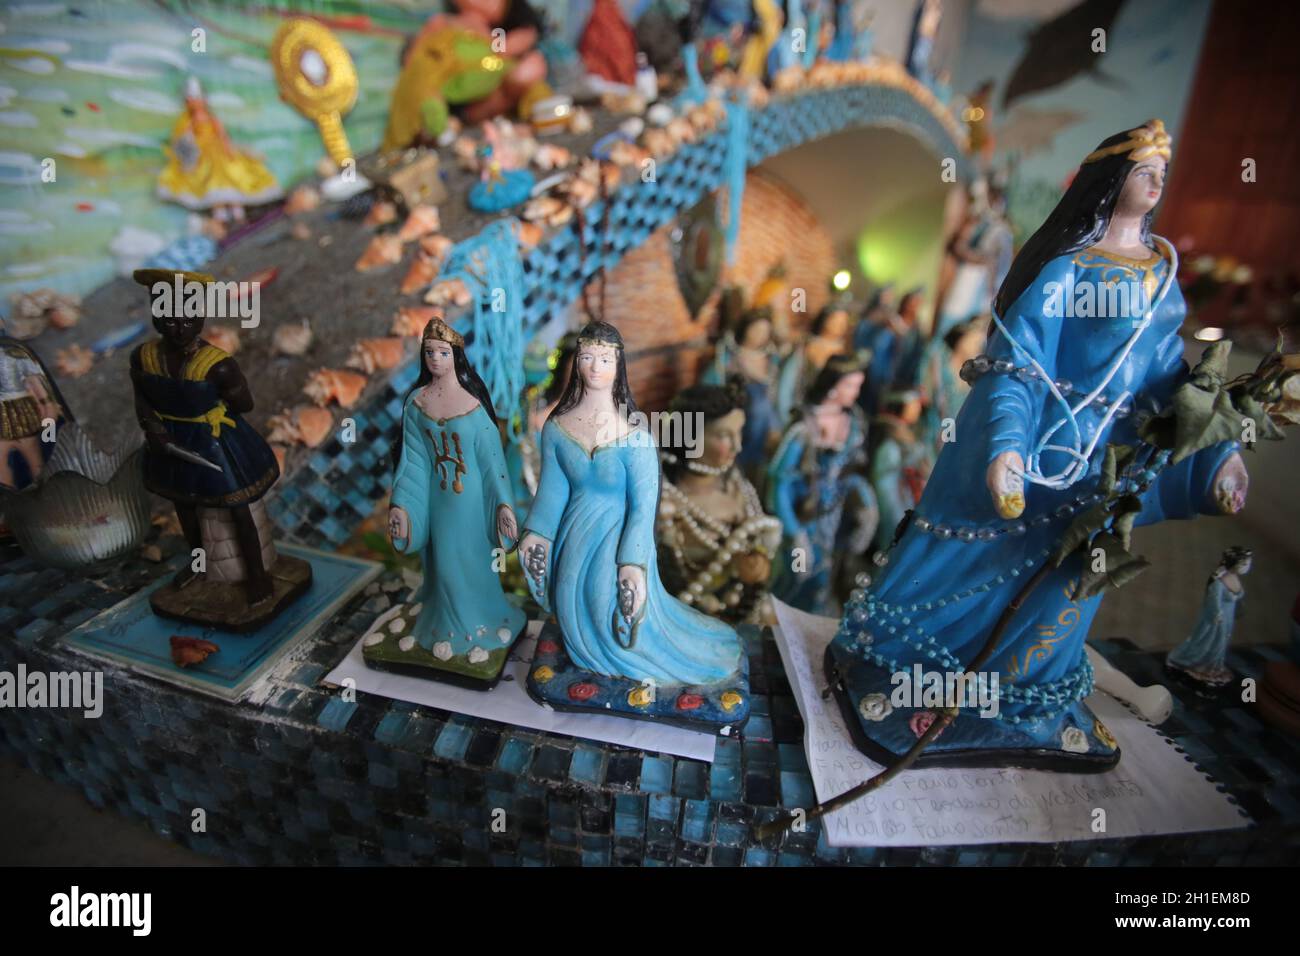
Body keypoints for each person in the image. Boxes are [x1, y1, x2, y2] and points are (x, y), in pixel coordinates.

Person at [829, 120, 1249, 770]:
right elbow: (1015, 366)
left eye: (1162, 171)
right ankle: (912, 680)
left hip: (1107, 471)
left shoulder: (1163, 272)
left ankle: (1023, 697)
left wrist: (1219, 450)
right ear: (1112, 179)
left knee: (1068, 583)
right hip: (1041, 449)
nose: (1157, 180)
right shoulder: (1067, 270)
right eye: (1144, 168)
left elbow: (1172, 378)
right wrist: (1005, 447)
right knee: (968, 568)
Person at [519, 321, 744, 686]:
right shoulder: (557, 429)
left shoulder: (636, 437)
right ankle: (588, 663)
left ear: (618, 366)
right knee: (570, 601)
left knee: (604, 604)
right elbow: (552, 492)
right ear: (576, 362)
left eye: (605, 359)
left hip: (617, 540)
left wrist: (632, 564)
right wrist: (536, 535)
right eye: (587, 357)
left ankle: (624, 665)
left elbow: (643, 508)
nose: (595, 367)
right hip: (574, 537)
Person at [371, 317, 527, 684]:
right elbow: (412, 460)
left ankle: (481, 623)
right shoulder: (417, 404)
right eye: (429, 353)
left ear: (455, 356)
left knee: (473, 561)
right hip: (436, 502)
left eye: (443, 352)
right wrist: (403, 507)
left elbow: (493, 464)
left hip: (472, 504)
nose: (436, 359)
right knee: (441, 562)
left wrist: (503, 506)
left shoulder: (473, 408)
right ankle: (443, 625)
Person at [129, 270, 284, 608]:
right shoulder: (143, 357)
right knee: (184, 504)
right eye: (168, 320)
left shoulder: (218, 365)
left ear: (200, 318)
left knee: (236, 506)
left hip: (213, 441)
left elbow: (244, 405)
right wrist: (151, 427)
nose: (178, 328)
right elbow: (142, 397)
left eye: (186, 320)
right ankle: (198, 564)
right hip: (169, 439)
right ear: (156, 317)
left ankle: (257, 576)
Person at [657, 379, 782, 624]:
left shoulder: (737, 482)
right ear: (689, 436)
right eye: (724, 436)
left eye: (739, 432)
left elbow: (760, 531)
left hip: (741, 603)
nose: (738, 445)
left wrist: (759, 559)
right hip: (690, 614)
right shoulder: (664, 503)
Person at [767, 352, 876, 615]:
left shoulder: (852, 424)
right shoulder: (803, 428)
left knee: (823, 581)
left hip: (833, 519)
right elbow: (778, 484)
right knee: (793, 582)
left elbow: (847, 473)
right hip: (802, 519)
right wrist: (794, 534)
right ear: (832, 385)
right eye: (850, 385)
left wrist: (866, 502)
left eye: (858, 386)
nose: (855, 393)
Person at [1166, 547, 1252, 689]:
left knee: (1221, 643)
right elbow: (1214, 600)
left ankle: (1211, 667)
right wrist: (1217, 614)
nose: (1247, 567)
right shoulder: (1219, 582)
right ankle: (1190, 662)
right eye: (1244, 564)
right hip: (1216, 619)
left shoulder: (1234, 579)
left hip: (1228, 619)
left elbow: (1237, 597)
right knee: (1208, 641)